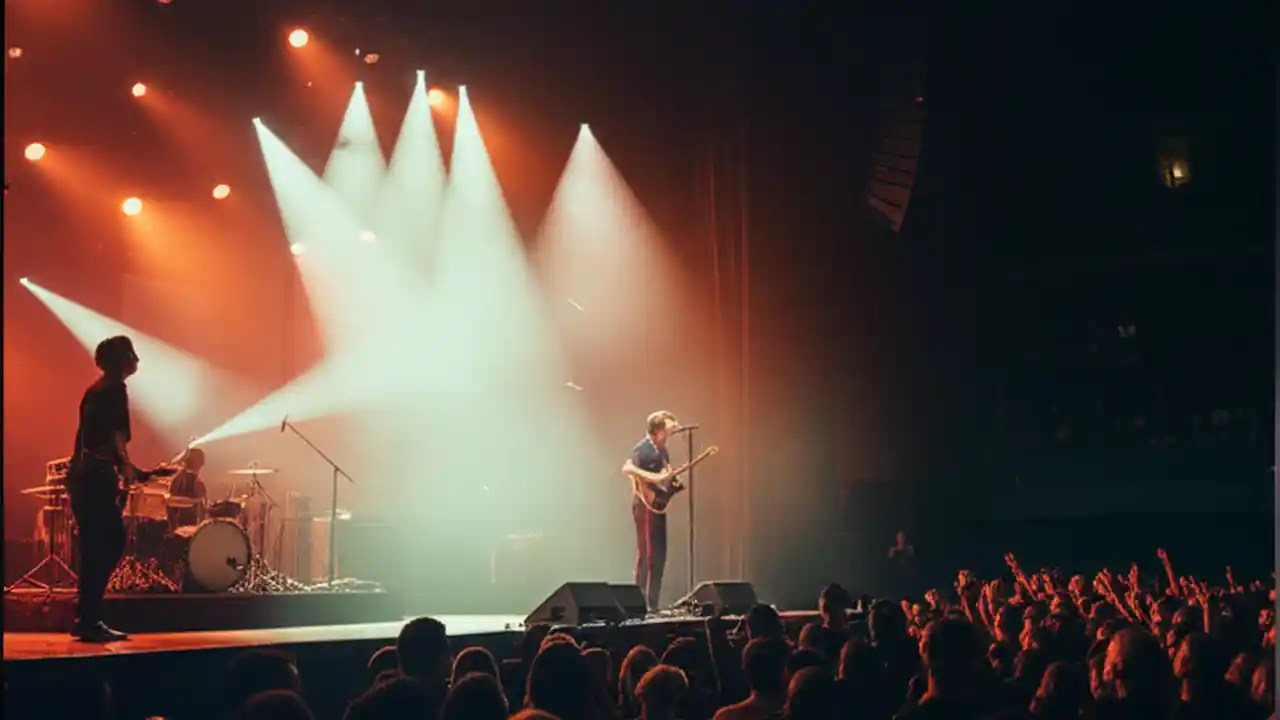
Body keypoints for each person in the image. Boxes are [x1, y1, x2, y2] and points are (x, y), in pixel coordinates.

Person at [66, 335, 146, 642]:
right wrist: (127, 468)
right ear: (123, 359)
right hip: (95, 477)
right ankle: (88, 618)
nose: (137, 359)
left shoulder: (96, 390)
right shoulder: (115, 389)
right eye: (132, 354)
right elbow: (115, 436)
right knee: (110, 542)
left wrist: (126, 468)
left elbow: (92, 436)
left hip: (83, 476)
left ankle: (86, 618)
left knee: (95, 547)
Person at [621, 410, 681, 610]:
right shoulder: (643, 448)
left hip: (657, 506)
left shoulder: (662, 451)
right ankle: (638, 604)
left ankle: (653, 603)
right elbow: (628, 468)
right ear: (657, 431)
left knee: (659, 555)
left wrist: (671, 482)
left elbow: (664, 475)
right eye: (667, 429)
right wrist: (655, 478)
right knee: (648, 555)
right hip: (644, 506)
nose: (670, 434)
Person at [167, 446, 208, 527]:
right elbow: (201, 504)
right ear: (201, 464)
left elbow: (170, 498)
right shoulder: (197, 482)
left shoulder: (177, 478)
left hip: (174, 524)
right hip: (190, 525)